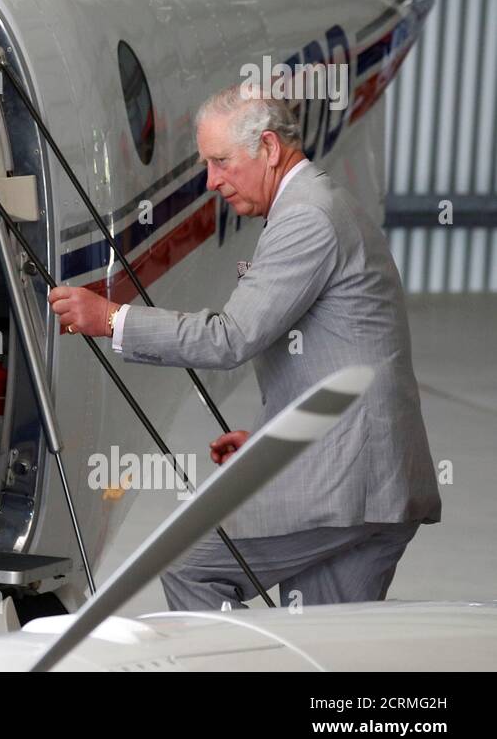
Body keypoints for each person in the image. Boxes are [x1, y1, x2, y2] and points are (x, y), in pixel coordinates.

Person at [48, 84, 442, 610]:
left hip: (348, 482)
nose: (212, 181)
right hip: (371, 480)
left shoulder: (306, 217)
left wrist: (110, 318)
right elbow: (339, 351)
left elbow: (230, 336)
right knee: (322, 648)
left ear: (270, 149)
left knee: (190, 567)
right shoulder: (317, 205)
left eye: (221, 162)